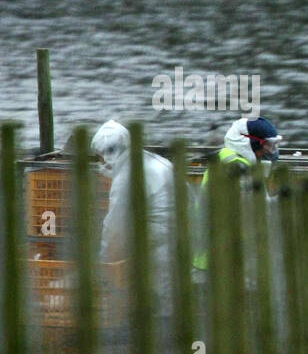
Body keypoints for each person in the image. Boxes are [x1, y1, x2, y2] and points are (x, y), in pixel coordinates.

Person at [90, 119, 175, 294]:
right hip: (180, 242)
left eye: (99, 156)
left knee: (158, 303)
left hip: (157, 248)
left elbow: (115, 228)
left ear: (107, 154)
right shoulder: (156, 161)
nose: (100, 162)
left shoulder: (126, 177)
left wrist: (103, 264)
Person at [193, 116, 282, 272]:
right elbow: (257, 211)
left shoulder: (230, 160)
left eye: (273, 147)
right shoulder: (237, 168)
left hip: (218, 260)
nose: (270, 152)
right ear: (248, 143)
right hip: (218, 265)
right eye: (267, 146)